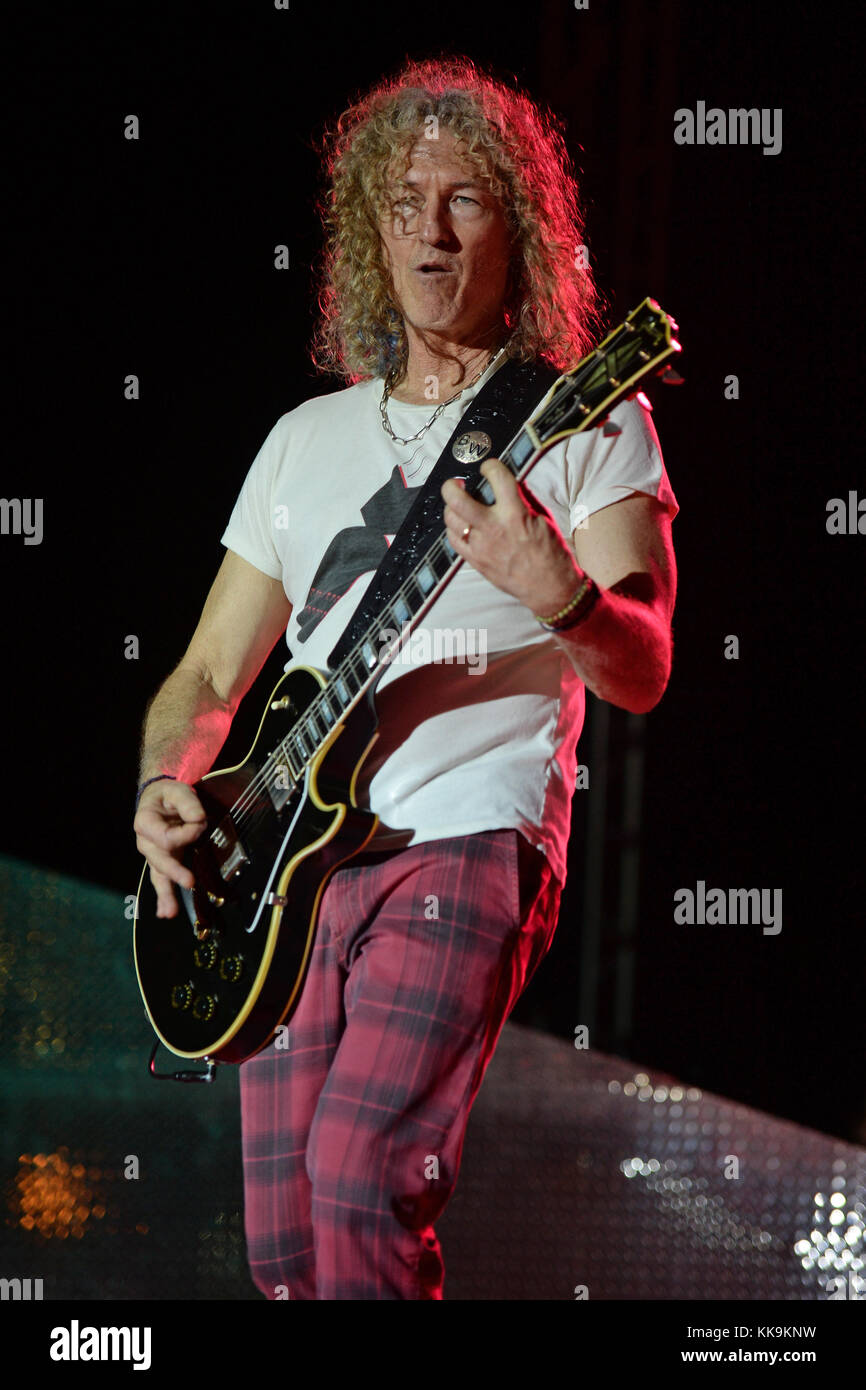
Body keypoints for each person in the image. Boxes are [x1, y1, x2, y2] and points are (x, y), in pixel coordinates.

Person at [133, 56, 679, 1300]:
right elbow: (212, 670)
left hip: (465, 836)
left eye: (466, 200)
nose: (429, 230)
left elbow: (643, 663)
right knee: (283, 1252)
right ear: (364, 225)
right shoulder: (301, 440)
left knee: (363, 1169)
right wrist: (166, 778)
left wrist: (558, 594)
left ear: (519, 229)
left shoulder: (583, 421)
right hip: (285, 868)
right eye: (402, 200)